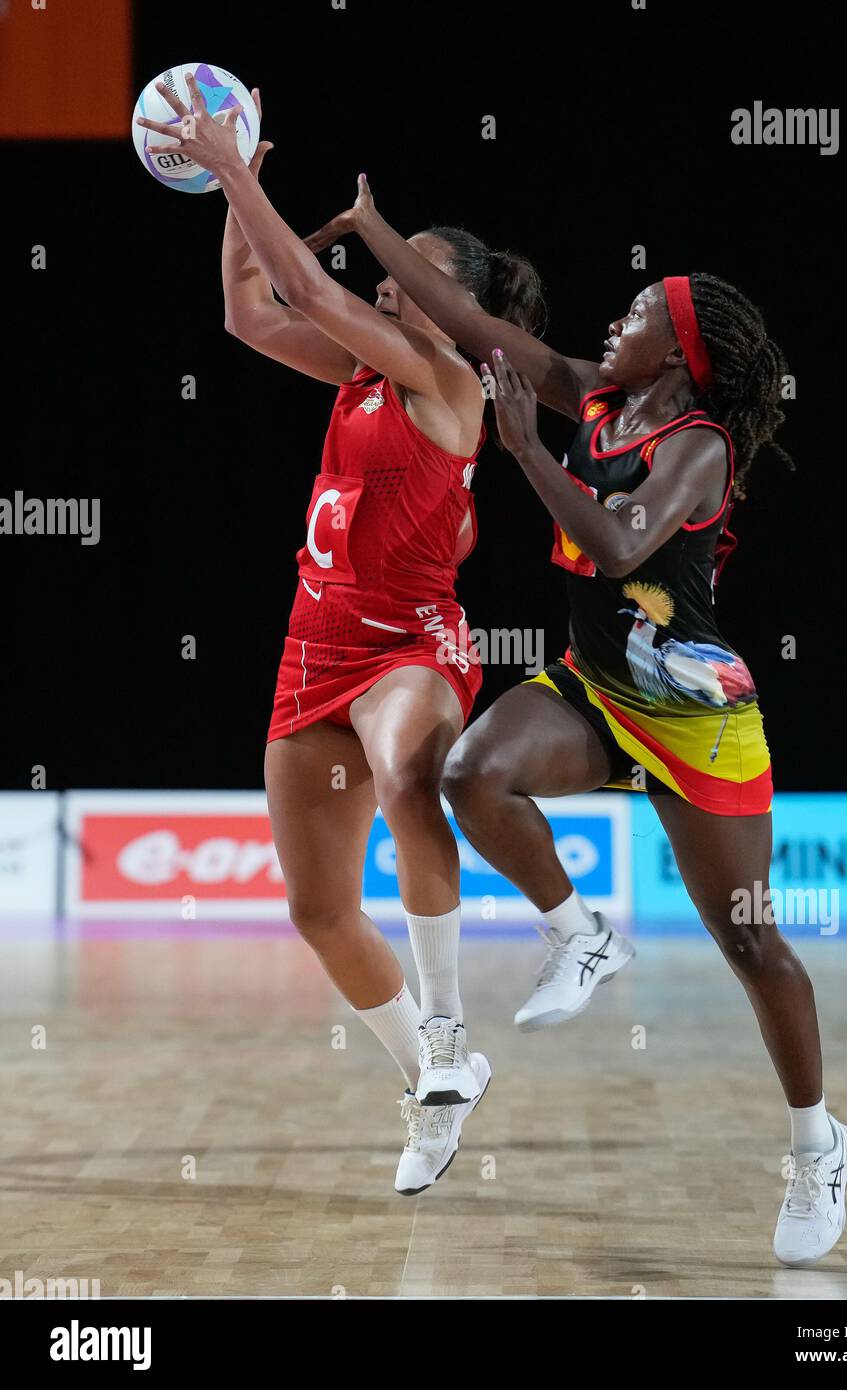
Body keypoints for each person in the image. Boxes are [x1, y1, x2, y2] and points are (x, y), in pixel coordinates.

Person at [306, 174, 847, 1265]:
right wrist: (371, 226)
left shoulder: (697, 445)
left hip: (695, 720)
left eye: (641, 313)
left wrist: (521, 453)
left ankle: (814, 1144)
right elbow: (471, 322)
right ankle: (583, 931)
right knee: (469, 772)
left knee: (748, 940)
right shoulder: (594, 396)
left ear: (680, 353)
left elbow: (614, 547)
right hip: (598, 693)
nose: (618, 318)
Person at [136, 80, 544, 1195]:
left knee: (409, 768)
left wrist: (230, 166)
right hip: (311, 649)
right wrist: (243, 173)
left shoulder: (449, 380)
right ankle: (431, 1086)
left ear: (452, 301)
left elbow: (307, 283)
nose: (389, 273)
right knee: (316, 909)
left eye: (419, 265)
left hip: (410, 645)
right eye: (391, 257)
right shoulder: (364, 368)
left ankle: (452, 1030)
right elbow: (250, 308)